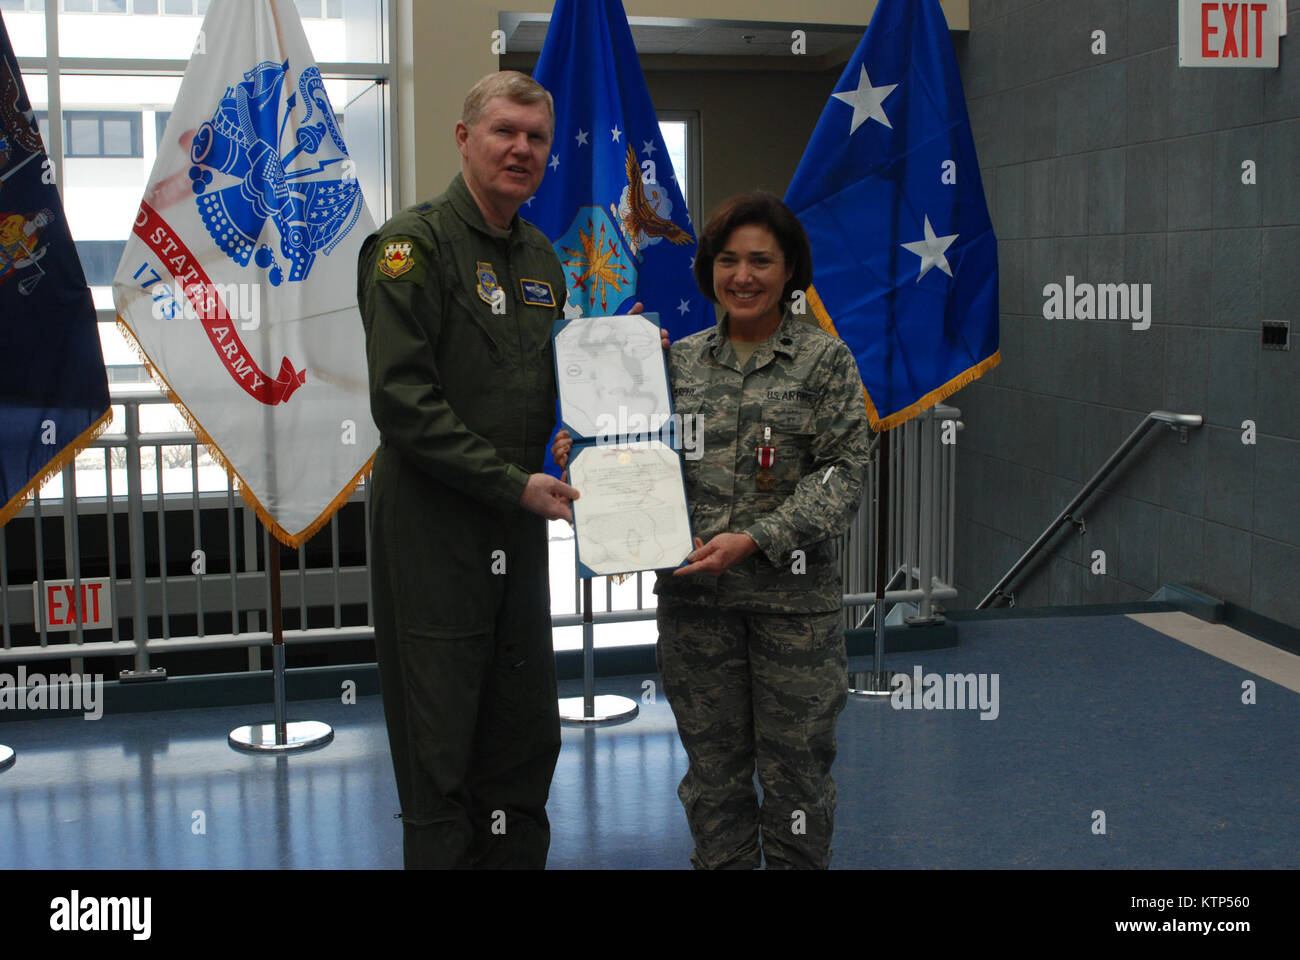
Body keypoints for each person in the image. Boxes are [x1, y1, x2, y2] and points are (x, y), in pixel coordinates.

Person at [555, 191, 870, 869]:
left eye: (761, 260)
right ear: (709, 268)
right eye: (728, 260)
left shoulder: (826, 363)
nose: (743, 276)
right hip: (697, 610)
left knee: (797, 781)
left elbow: (843, 476)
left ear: (790, 271)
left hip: (795, 613)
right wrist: (589, 435)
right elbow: (625, 450)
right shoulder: (675, 363)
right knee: (714, 780)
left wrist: (758, 538)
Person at [357, 71, 580, 870]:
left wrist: (587, 427)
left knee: (523, 735)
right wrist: (513, 481)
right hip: (434, 531)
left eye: (537, 137)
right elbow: (403, 404)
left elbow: (541, 390)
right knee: (440, 747)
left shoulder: (543, 259)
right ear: (464, 138)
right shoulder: (410, 249)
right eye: (504, 132)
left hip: (515, 532)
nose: (521, 149)